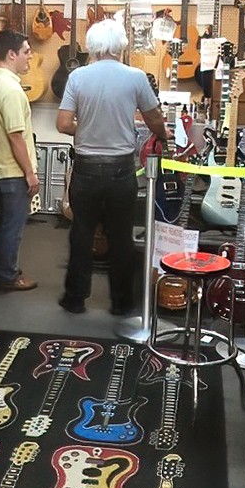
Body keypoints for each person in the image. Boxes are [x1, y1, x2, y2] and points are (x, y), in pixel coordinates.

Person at [56, 18, 170, 315]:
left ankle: (74, 299)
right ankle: (122, 303)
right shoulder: (135, 77)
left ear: (92, 45)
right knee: (122, 237)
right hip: (122, 171)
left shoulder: (78, 77)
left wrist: (88, 129)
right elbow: (154, 119)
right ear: (121, 44)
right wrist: (163, 135)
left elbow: (63, 124)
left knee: (81, 234)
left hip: (86, 170)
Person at [0, 29, 39, 292]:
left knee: (0, 227)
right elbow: (16, 136)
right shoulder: (11, 90)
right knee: (12, 229)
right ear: (11, 54)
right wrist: (30, 173)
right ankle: (7, 277)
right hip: (13, 172)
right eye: (26, 51)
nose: (30, 57)